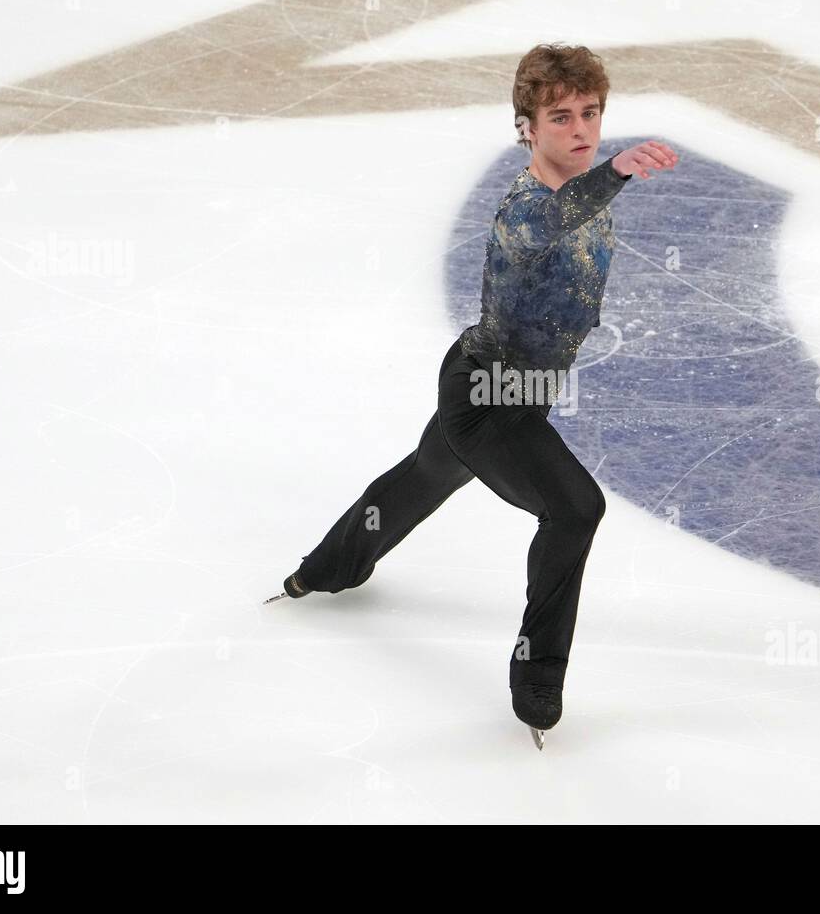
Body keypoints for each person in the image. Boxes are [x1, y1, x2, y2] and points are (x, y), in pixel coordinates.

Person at [266, 43, 678, 745]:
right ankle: (536, 676)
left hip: (502, 385)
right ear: (526, 127)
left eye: (590, 113)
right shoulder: (526, 205)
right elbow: (556, 220)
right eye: (560, 117)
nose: (580, 130)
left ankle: (321, 571)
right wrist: (616, 171)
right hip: (488, 397)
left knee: (426, 475)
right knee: (576, 509)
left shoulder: (583, 190)